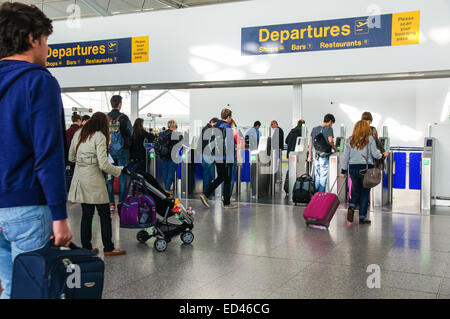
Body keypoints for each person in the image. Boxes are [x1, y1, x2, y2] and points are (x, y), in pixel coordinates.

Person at [0, 2, 72, 299]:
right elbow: (48, 155)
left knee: (8, 290)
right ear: (32, 38)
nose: (47, 49)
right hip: (28, 207)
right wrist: (60, 215)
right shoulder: (38, 81)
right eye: (46, 40)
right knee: (34, 292)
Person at [68, 112, 126, 256]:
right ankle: (108, 248)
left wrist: (84, 162)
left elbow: (71, 157)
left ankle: (86, 248)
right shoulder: (99, 136)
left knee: (86, 214)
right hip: (94, 180)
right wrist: (119, 172)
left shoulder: (79, 133)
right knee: (104, 214)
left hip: (80, 178)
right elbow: (103, 164)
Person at [340, 120, 389, 224]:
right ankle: (362, 217)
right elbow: (376, 155)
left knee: (355, 190)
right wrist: (383, 155)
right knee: (365, 192)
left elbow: (345, 157)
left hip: (352, 168)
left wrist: (343, 171)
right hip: (365, 169)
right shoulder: (370, 139)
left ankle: (352, 206)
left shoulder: (350, 140)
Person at [200, 108, 237, 209]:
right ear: (228, 117)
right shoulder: (227, 127)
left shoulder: (215, 126)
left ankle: (205, 194)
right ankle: (226, 203)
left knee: (221, 177)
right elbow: (228, 144)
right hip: (225, 157)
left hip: (216, 156)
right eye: (231, 117)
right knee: (227, 178)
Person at [107, 95, 132, 213]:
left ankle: (111, 204)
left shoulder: (105, 118)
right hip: (122, 151)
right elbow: (129, 132)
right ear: (120, 104)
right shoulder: (124, 118)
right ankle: (121, 203)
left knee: (110, 178)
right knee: (122, 178)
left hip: (109, 152)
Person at [308, 114, 337, 193]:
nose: (332, 125)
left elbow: (310, 143)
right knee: (323, 175)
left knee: (317, 175)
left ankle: (316, 194)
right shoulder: (329, 128)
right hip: (324, 155)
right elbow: (330, 140)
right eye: (332, 123)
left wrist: (309, 156)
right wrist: (335, 148)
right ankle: (321, 194)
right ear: (330, 121)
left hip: (315, 155)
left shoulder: (314, 129)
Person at [159, 120, 183, 193]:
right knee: (171, 173)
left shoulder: (162, 133)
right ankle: (167, 189)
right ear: (174, 126)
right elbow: (181, 145)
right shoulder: (177, 135)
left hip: (163, 155)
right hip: (173, 156)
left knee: (165, 172)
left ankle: (166, 188)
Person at [201, 117, 219, 195]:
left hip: (206, 154)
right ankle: (206, 192)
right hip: (207, 154)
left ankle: (207, 191)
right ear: (212, 122)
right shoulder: (208, 129)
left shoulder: (206, 129)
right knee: (207, 174)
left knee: (208, 173)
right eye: (215, 124)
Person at [65, 112, 82, 193]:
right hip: (78, 158)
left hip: (68, 158)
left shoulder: (67, 131)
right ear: (79, 120)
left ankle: (70, 190)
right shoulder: (80, 132)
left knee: (69, 175)